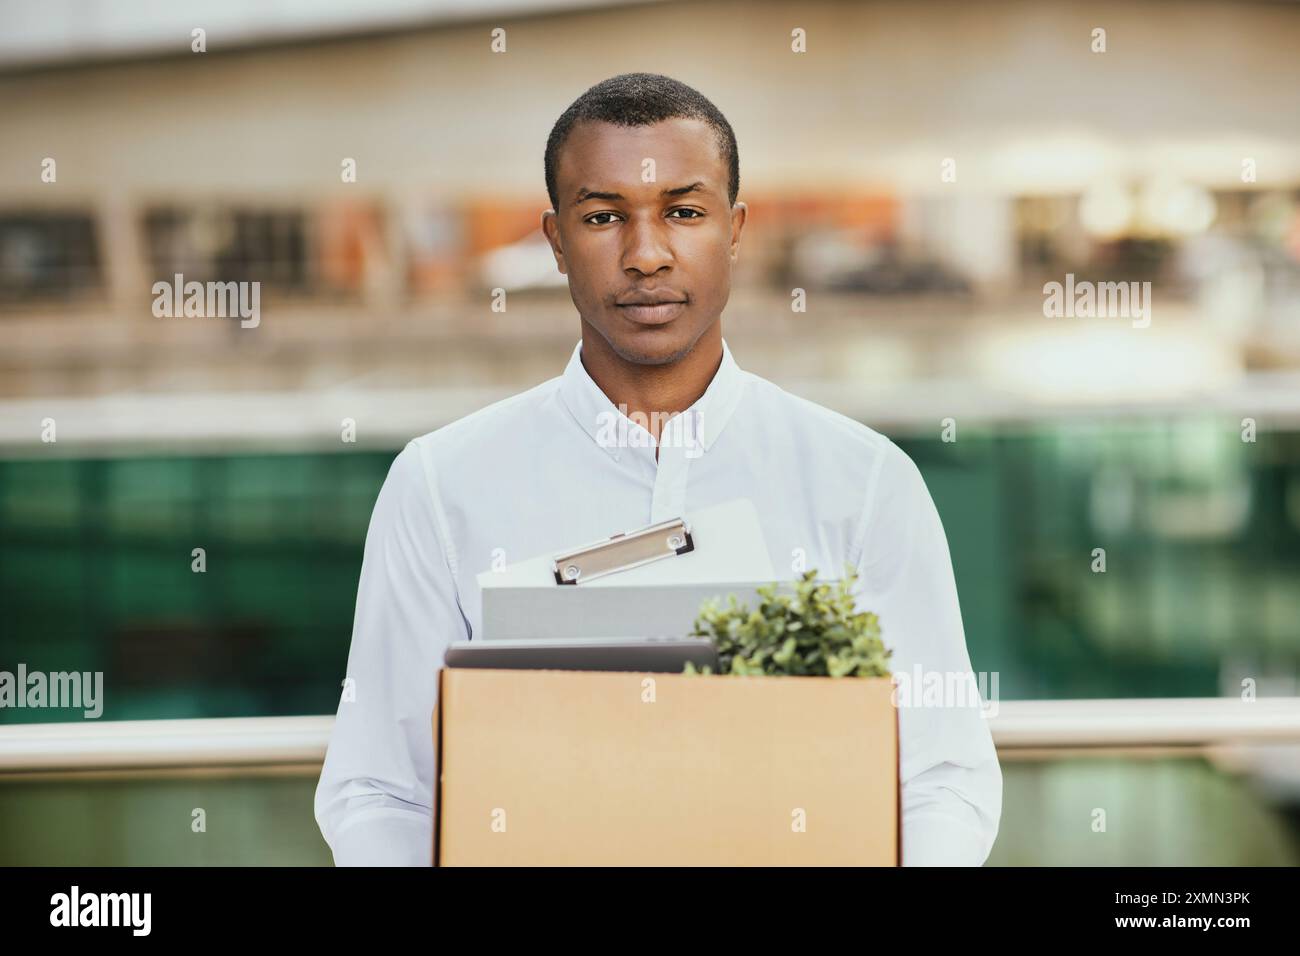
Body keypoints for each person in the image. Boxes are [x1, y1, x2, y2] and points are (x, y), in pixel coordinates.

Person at [315, 72, 1001, 866]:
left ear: (735, 229)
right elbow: (381, 790)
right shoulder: (439, 485)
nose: (646, 255)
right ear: (557, 240)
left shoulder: (867, 482)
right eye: (603, 217)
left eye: (684, 211)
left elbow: (942, 777)